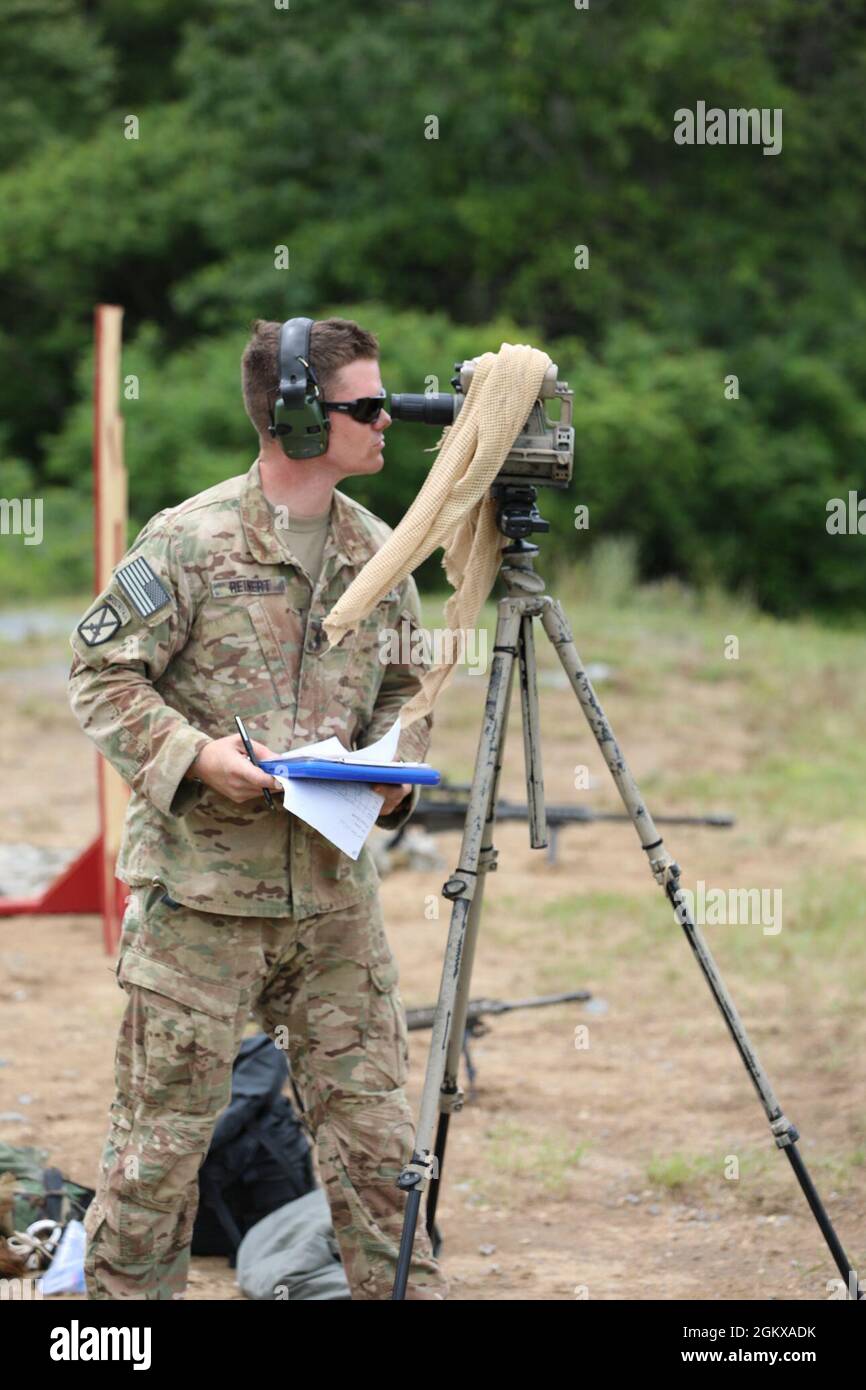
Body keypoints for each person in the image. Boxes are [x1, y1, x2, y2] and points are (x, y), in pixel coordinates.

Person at [68, 316, 447, 1300]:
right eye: (366, 406)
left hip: (331, 901)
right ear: (294, 416)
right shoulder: (185, 542)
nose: (386, 421)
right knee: (157, 1150)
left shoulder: (380, 551)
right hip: (200, 901)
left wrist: (391, 771)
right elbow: (101, 678)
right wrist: (194, 756)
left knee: (375, 1144)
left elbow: (410, 692)